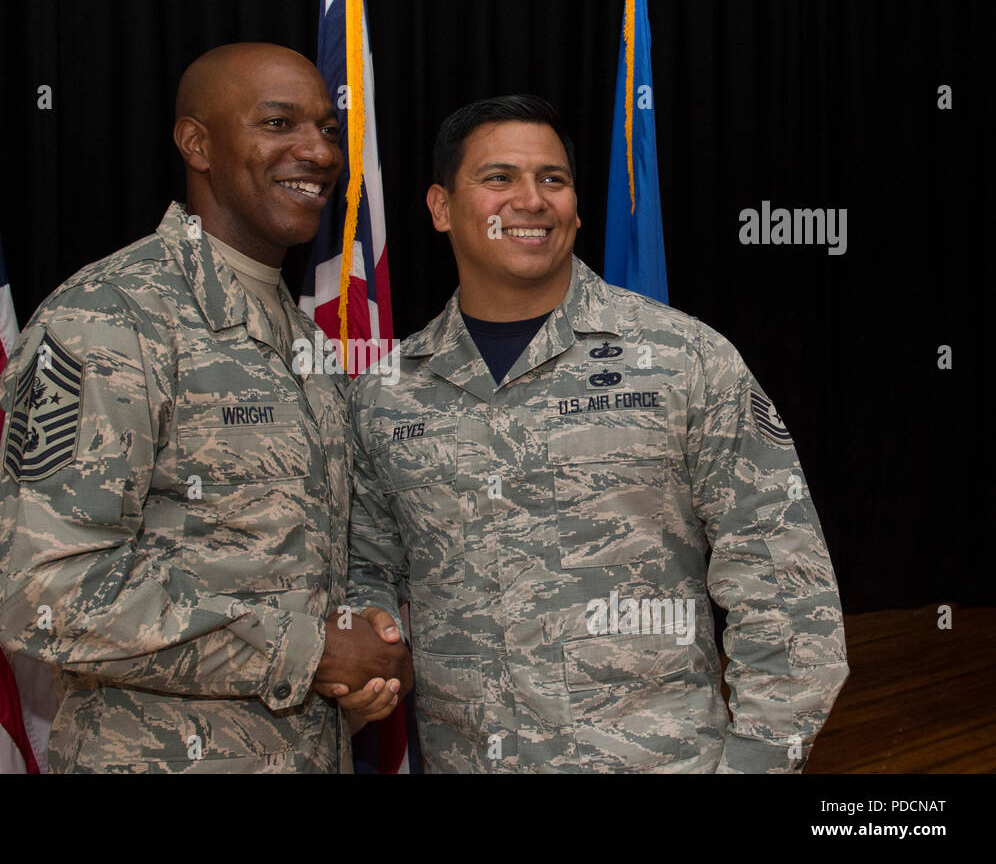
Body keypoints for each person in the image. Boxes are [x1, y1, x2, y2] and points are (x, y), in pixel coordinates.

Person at [344, 95, 849, 773]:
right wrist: (369, 638)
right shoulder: (385, 392)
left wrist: (756, 763)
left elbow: (787, 595)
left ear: (577, 208)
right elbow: (368, 567)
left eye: (552, 179)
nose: (531, 199)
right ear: (440, 207)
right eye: (499, 178)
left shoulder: (683, 359)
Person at [0, 43, 410, 774]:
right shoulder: (109, 318)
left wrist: (362, 649)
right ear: (197, 143)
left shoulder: (304, 340)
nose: (317, 150)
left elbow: (316, 560)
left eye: (328, 128)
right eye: (279, 124)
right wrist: (307, 650)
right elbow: (40, 591)